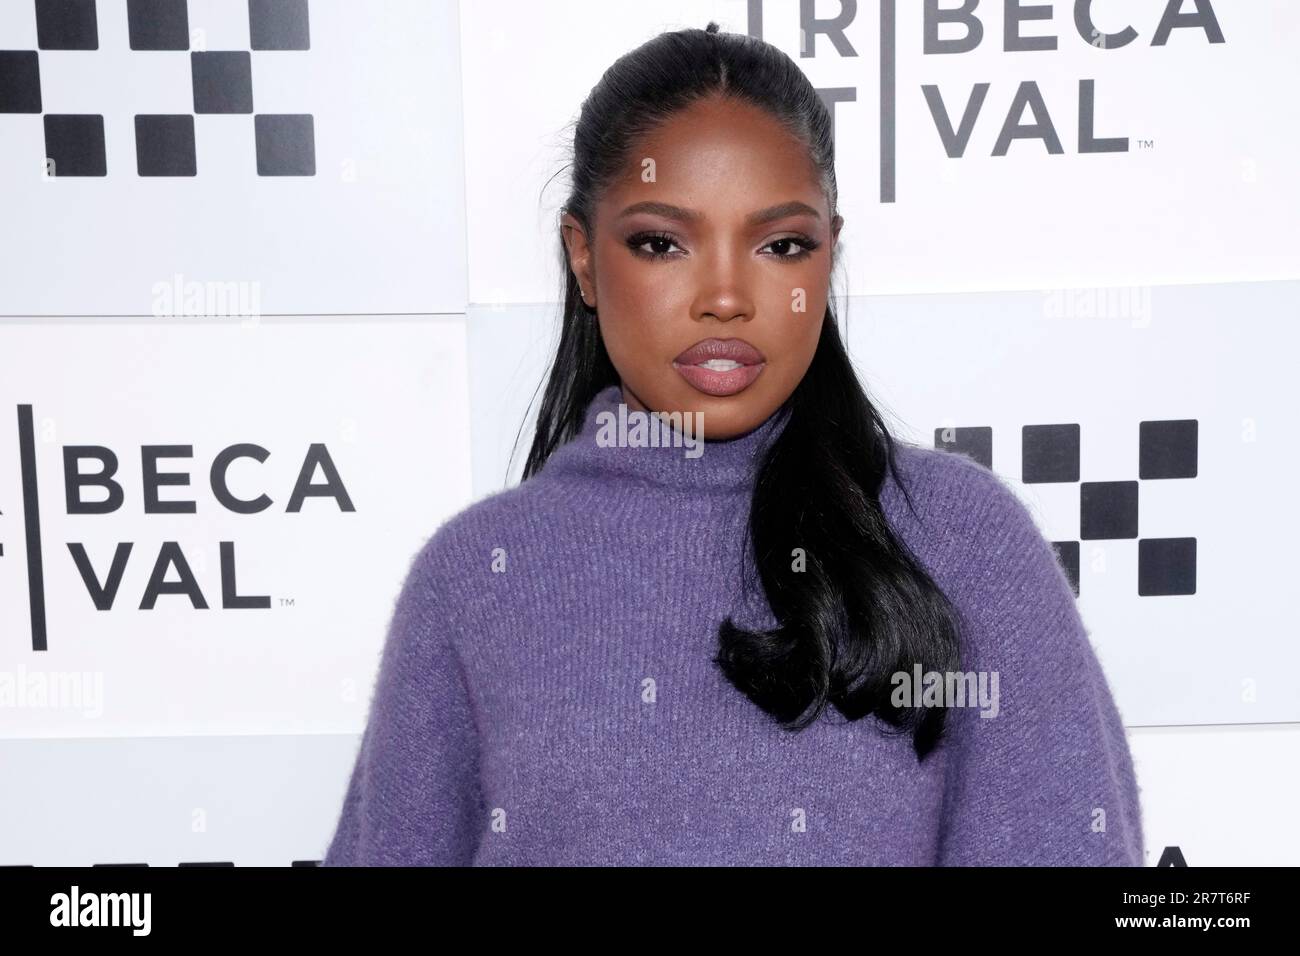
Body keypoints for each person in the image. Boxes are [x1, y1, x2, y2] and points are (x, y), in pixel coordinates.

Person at [321, 21, 1143, 866]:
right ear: (584, 259)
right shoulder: (474, 577)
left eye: (781, 244)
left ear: (828, 257)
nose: (724, 296)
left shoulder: (965, 542)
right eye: (661, 243)